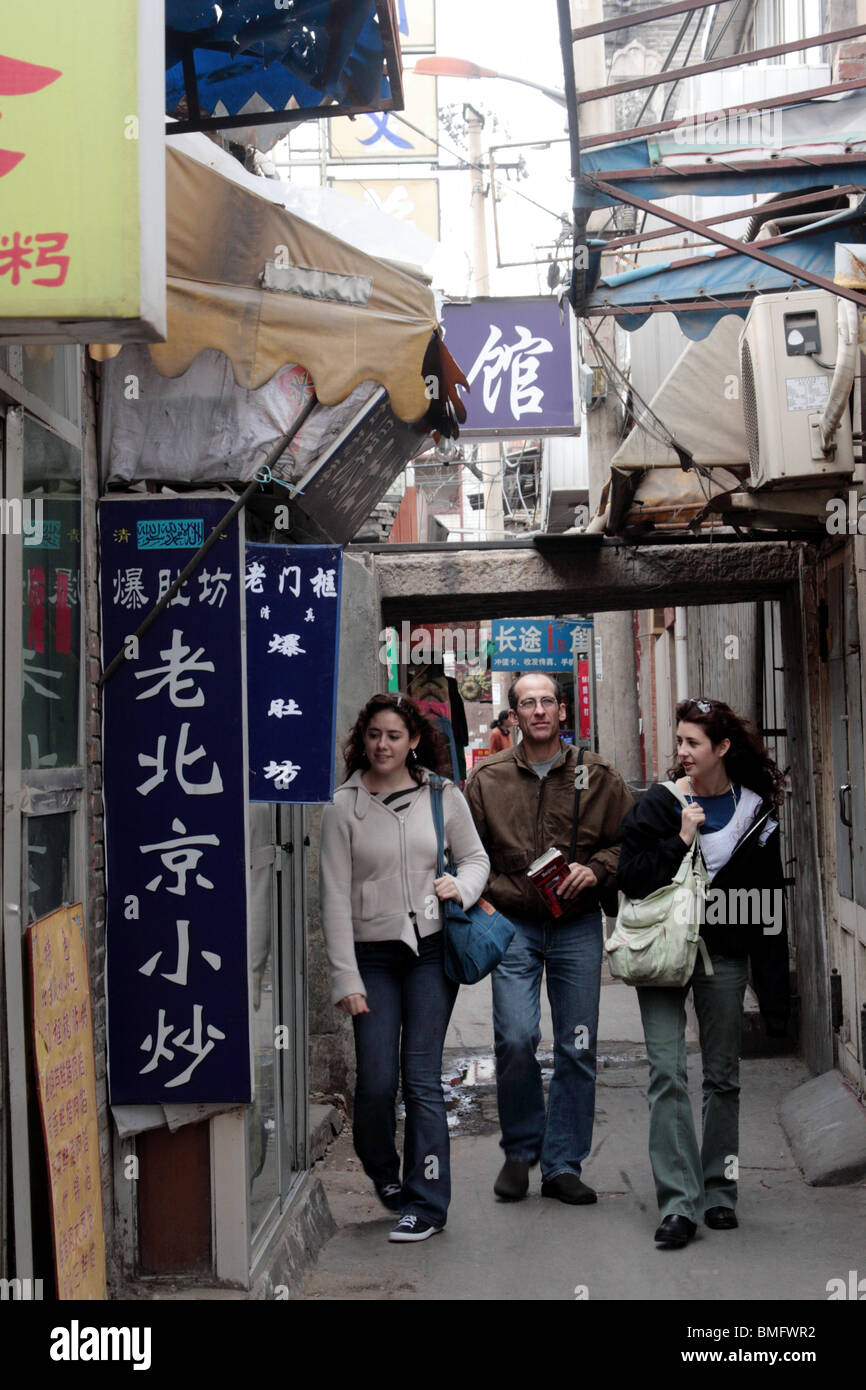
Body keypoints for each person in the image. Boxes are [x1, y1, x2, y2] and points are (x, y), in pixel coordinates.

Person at [617, 697, 790, 1249]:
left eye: (694, 743)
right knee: (667, 1073)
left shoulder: (755, 811)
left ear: (722, 749)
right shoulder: (658, 804)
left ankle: (720, 1191)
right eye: (680, 741)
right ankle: (677, 1204)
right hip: (664, 954)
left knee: (723, 1076)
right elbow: (632, 877)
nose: (682, 752)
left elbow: (768, 902)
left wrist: (775, 995)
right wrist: (680, 839)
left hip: (724, 953)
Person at [319, 693, 490, 1242]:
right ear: (361, 740)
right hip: (371, 958)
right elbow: (334, 898)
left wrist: (460, 888)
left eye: (394, 735)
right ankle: (381, 1168)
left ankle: (427, 1203)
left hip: (430, 952)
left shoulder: (442, 795)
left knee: (420, 1080)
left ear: (414, 740)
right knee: (374, 1083)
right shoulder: (343, 805)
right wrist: (345, 976)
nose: (383, 745)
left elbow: (475, 858)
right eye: (374, 735)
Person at [464, 672, 633, 1205]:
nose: (538, 711)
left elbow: (633, 843)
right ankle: (520, 1150)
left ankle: (562, 1164)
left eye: (547, 702)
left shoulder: (598, 775)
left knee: (576, 1046)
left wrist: (599, 869)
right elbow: (465, 855)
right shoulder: (487, 779)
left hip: (577, 924)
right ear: (513, 716)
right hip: (512, 923)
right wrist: (492, 894)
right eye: (526, 703)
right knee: (515, 1038)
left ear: (563, 710)